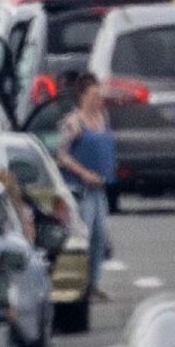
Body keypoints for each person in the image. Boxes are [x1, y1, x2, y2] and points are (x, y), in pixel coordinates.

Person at [56, 74, 113, 301]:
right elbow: (61, 154)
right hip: (81, 188)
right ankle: (79, 285)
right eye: (93, 95)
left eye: (99, 95)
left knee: (100, 236)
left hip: (100, 188)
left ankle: (94, 283)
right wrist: (84, 173)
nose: (98, 99)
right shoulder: (74, 122)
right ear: (82, 96)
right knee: (83, 236)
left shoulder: (103, 117)